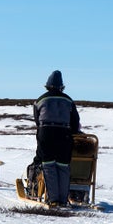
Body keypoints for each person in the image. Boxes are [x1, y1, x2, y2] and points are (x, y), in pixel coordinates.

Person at [33, 70, 81, 206]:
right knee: (63, 166)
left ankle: (53, 199)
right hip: (64, 135)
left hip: (45, 134)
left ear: (47, 85)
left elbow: (37, 120)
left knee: (48, 165)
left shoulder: (40, 100)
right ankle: (63, 200)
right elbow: (75, 121)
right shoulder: (68, 100)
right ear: (62, 86)